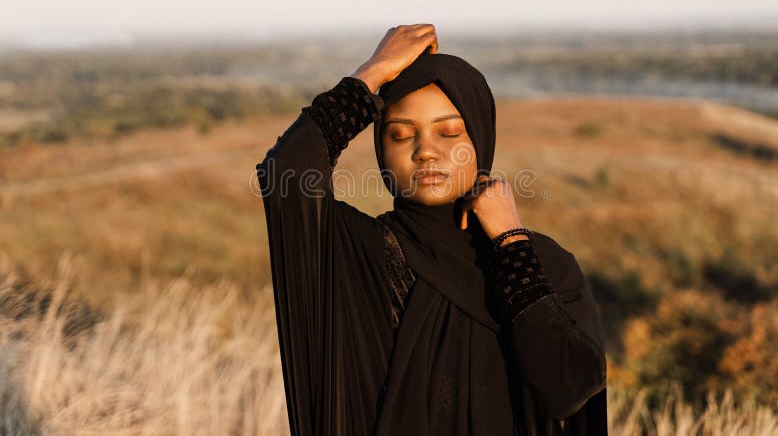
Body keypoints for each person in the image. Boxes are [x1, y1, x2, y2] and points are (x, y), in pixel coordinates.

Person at [255, 24, 608, 435]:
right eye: (401, 134)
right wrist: (374, 71)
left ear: (480, 138)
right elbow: (287, 172)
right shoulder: (362, 253)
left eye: (449, 132)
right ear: (382, 152)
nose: (425, 151)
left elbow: (570, 387)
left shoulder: (541, 264)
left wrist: (511, 244)